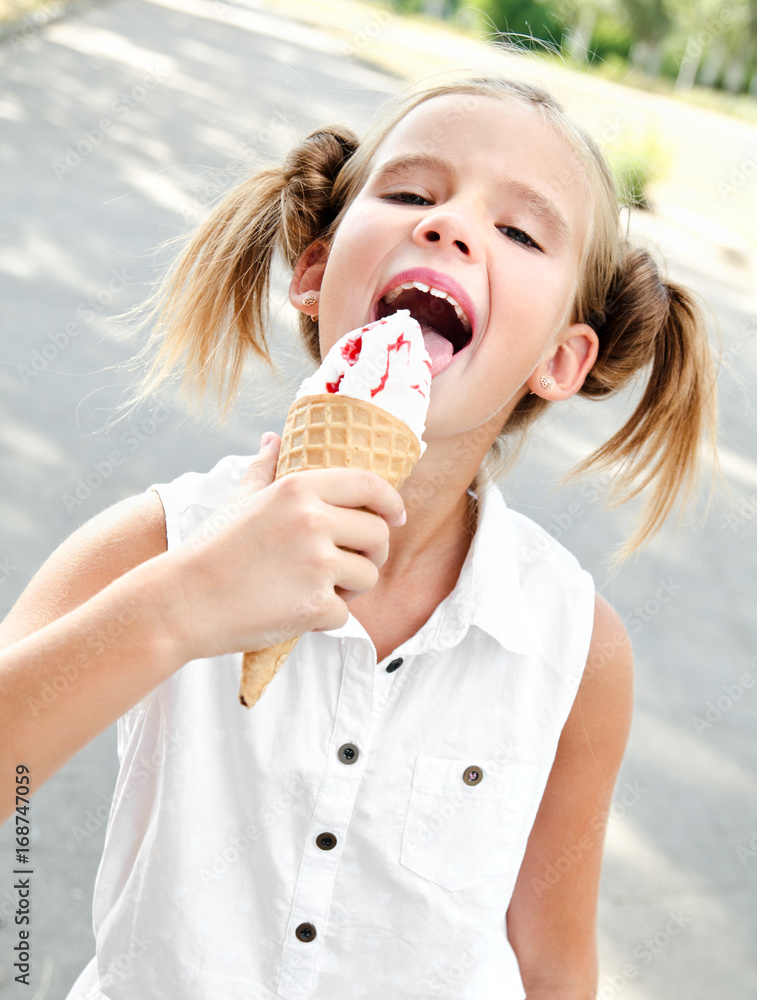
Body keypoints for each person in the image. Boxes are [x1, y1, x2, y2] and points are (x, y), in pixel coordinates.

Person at [0, 73, 717, 999]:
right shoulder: (161, 545)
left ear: (559, 358)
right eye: (412, 194)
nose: (449, 225)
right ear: (312, 272)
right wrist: (186, 605)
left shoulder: (573, 650)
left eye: (519, 231)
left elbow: (552, 961)